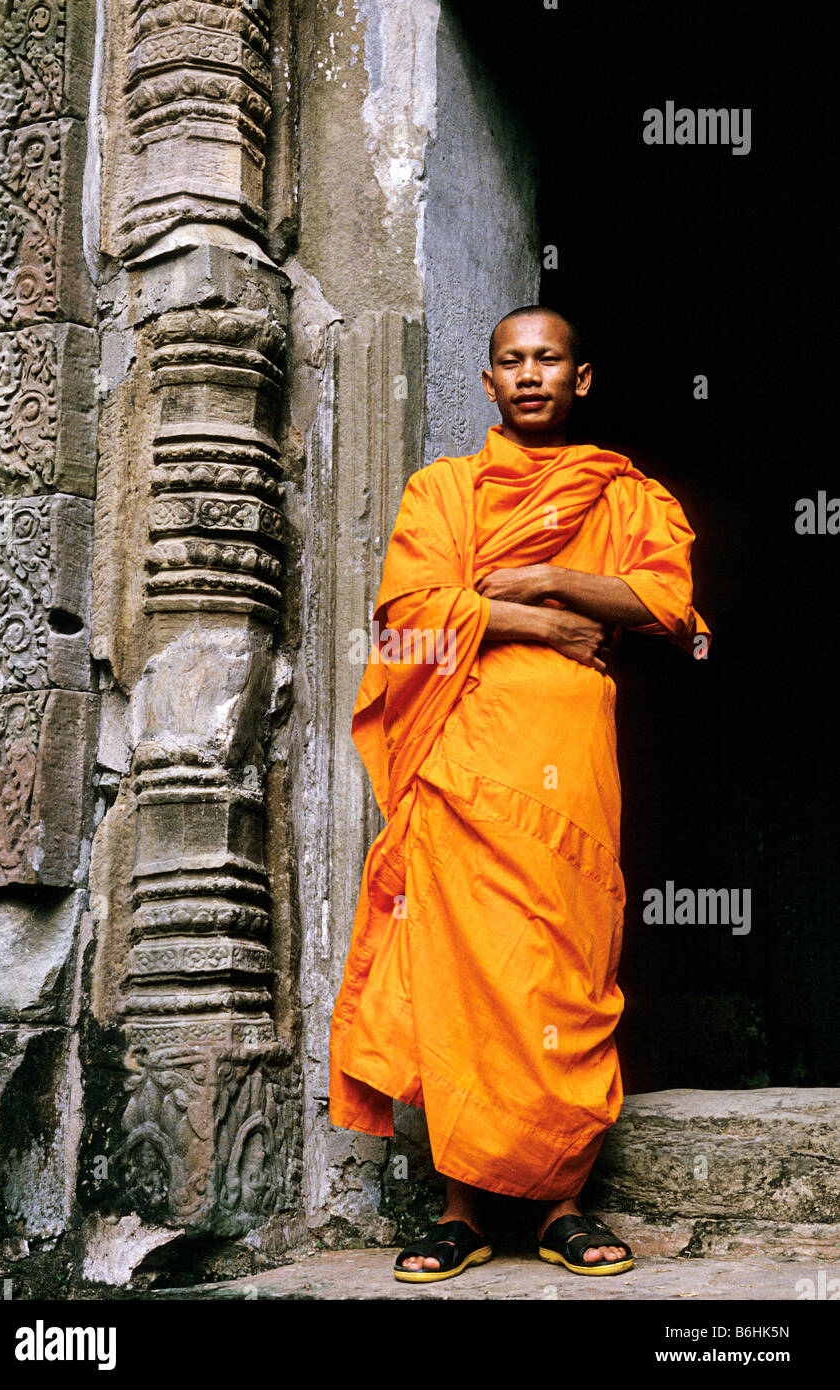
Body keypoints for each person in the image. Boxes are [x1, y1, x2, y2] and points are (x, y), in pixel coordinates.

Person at [328, 306, 710, 1282]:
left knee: (561, 968)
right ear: (488, 381)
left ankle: (560, 1205)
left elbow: (665, 605)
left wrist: (549, 576)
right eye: (511, 360)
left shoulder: (622, 493)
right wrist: (532, 625)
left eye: (548, 359)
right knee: (464, 968)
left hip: (567, 764)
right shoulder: (442, 492)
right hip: (465, 764)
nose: (530, 374)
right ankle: (458, 1210)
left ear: (579, 378)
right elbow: (405, 629)